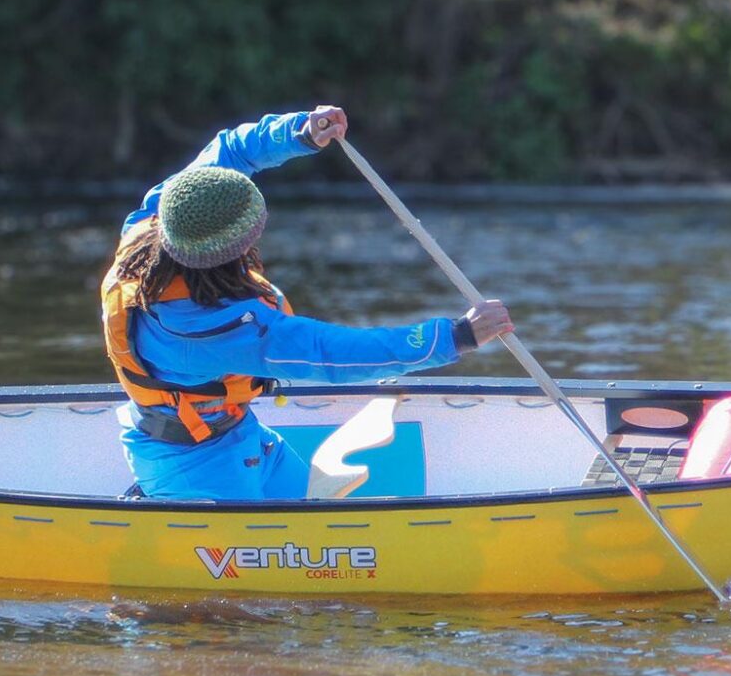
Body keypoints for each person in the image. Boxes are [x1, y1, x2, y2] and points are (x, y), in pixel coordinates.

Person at [100, 105, 510, 501]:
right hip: (193, 463)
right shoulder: (221, 330)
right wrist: (457, 336)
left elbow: (232, 150)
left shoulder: (157, 220)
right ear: (236, 250)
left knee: (309, 513)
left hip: (236, 433)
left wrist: (301, 132)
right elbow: (332, 354)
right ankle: (160, 504)